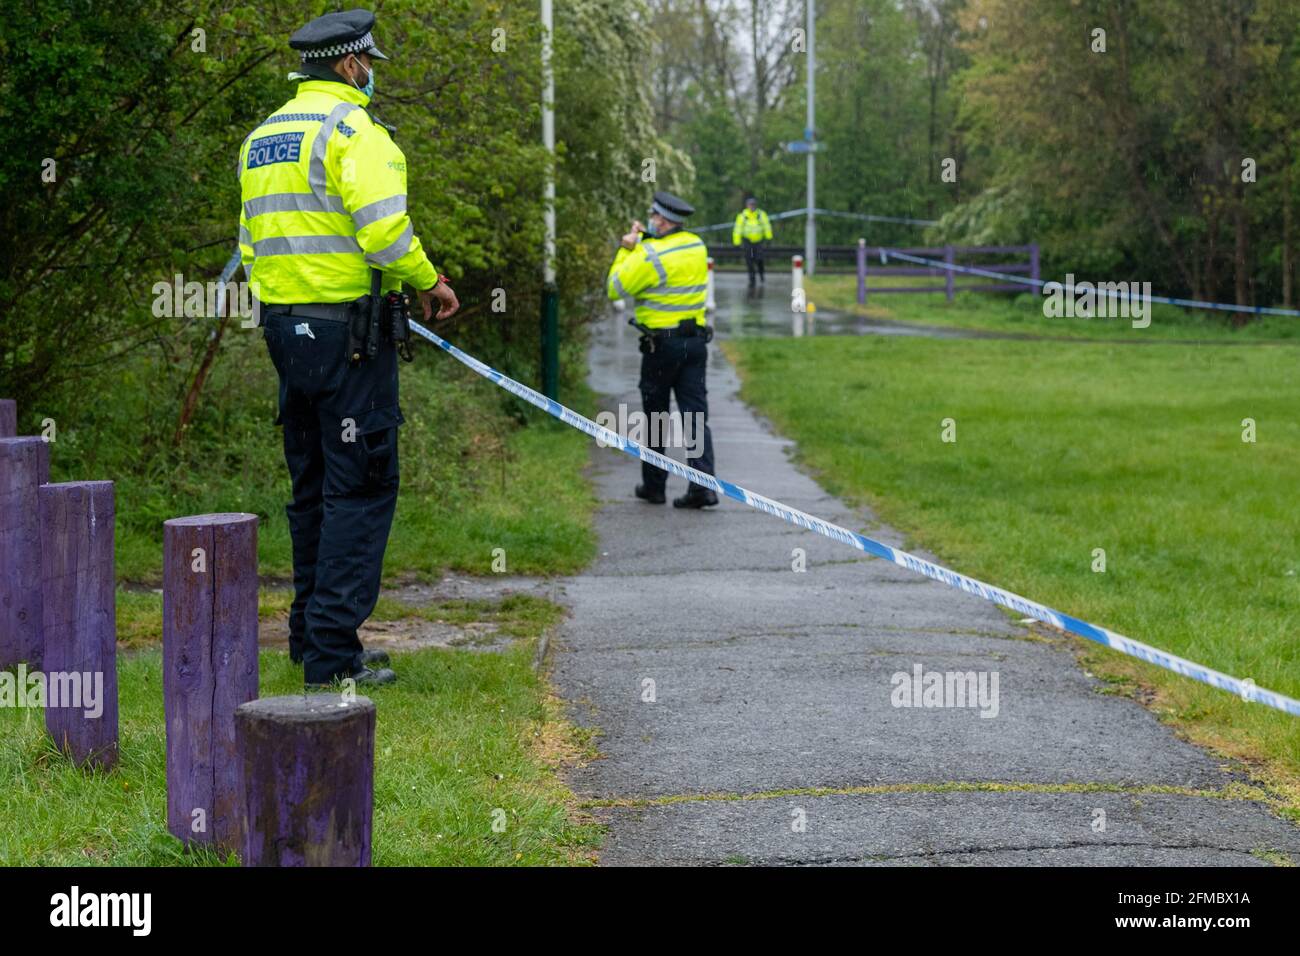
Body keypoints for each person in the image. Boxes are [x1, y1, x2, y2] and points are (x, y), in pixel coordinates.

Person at [236, 8, 459, 688]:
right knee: (359, 487)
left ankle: (312, 641)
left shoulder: (262, 137)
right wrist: (431, 281)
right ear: (350, 64)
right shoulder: (353, 131)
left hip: (284, 330)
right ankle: (334, 658)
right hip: (350, 337)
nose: (370, 78)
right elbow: (386, 234)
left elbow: (249, 247)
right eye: (368, 67)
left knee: (310, 490)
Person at [606, 191, 718, 509]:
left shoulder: (649, 254)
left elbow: (614, 287)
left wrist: (627, 249)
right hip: (696, 343)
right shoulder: (696, 245)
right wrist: (644, 243)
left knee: (656, 418)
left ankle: (655, 487)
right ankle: (703, 487)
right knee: (695, 416)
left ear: (664, 221)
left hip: (662, 347)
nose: (652, 221)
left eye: (655, 217)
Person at [732, 195, 773, 288]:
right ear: (747, 205)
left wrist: (769, 238)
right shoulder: (743, 216)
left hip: (758, 242)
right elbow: (737, 229)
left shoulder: (761, 215)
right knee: (749, 261)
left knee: (759, 259)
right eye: (750, 205)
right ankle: (752, 279)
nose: (752, 206)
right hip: (748, 242)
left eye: (753, 205)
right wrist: (736, 242)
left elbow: (767, 226)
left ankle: (761, 275)